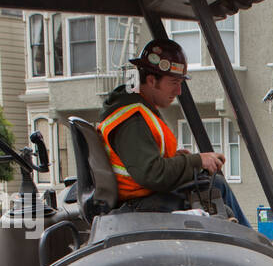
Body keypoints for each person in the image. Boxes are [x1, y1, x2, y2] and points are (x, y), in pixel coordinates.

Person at [97, 38, 246, 222]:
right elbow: (152, 174)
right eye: (174, 82)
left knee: (215, 186)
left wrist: (178, 159)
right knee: (215, 190)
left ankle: (251, 242)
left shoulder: (139, 110)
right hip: (139, 204)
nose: (179, 91)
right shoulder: (132, 119)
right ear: (151, 80)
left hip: (144, 196)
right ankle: (254, 246)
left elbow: (143, 163)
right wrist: (196, 161)